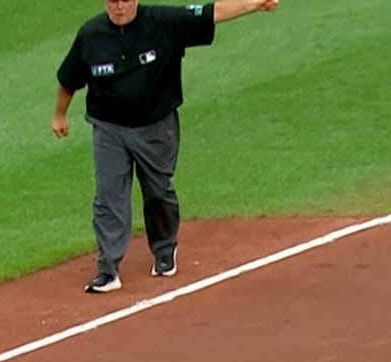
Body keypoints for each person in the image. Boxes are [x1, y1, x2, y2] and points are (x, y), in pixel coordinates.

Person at [52, 0, 278, 294]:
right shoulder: (91, 34)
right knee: (108, 196)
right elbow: (68, 80)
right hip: (109, 128)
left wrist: (256, 4)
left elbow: (213, 13)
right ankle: (108, 269)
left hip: (156, 126)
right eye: (112, 1)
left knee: (158, 191)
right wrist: (59, 114)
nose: (119, 7)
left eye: (124, 0)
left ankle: (163, 249)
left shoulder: (163, 22)